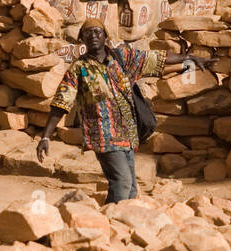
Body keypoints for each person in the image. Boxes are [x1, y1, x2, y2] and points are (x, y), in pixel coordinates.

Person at [35, 17, 213, 203]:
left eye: (98, 32)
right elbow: (61, 103)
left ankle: (118, 225)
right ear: (82, 39)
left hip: (128, 135)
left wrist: (189, 57)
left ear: (105, 36)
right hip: (104, 137)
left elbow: (157, 58)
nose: (93, 36)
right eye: (88, 33)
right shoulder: (79, 70)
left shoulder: (123, 58)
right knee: (123, 182)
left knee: (131, 189)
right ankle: (109, 222)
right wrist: (45, 136)